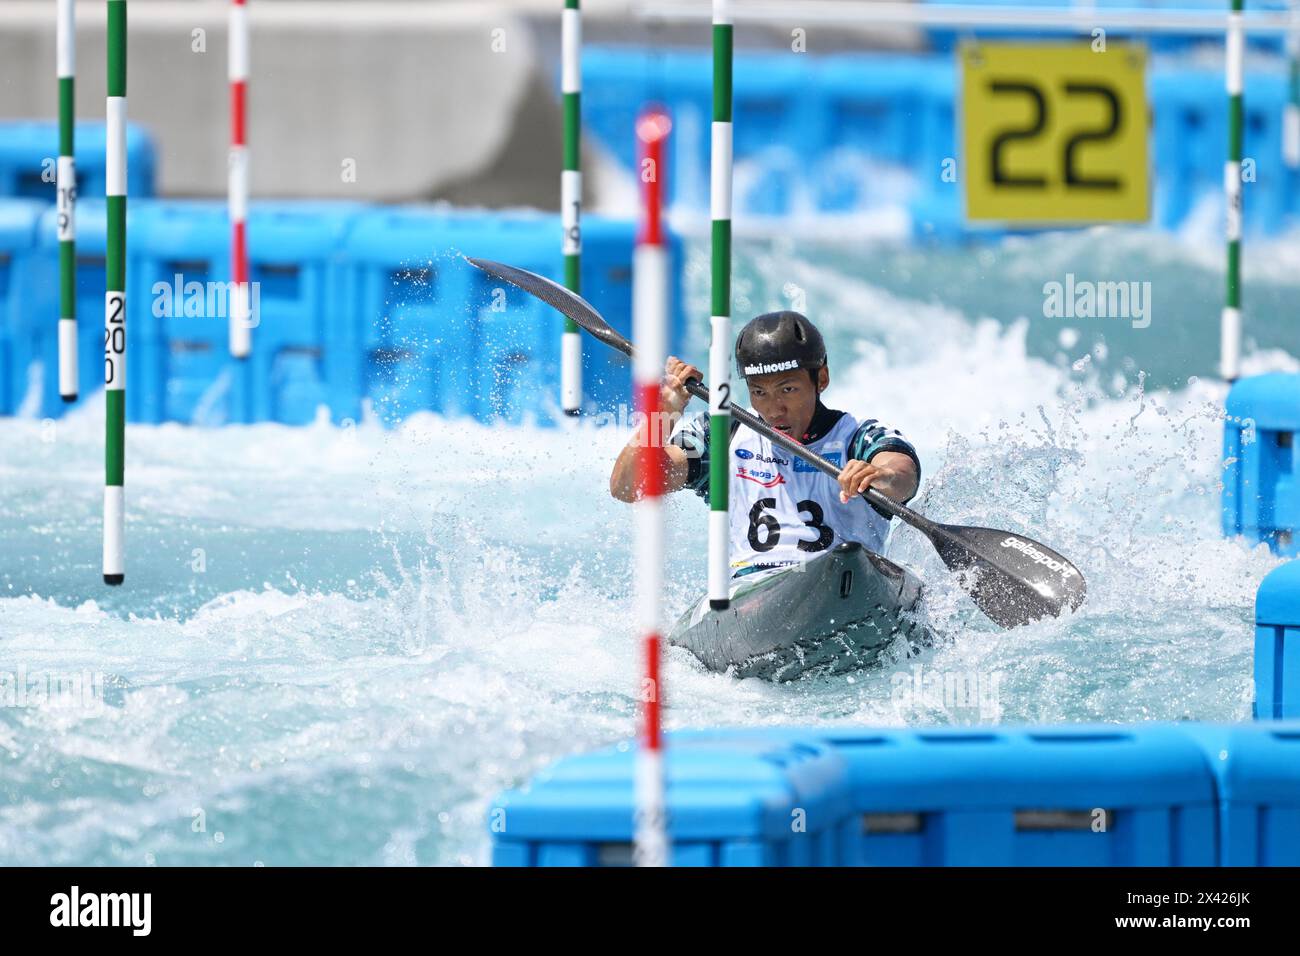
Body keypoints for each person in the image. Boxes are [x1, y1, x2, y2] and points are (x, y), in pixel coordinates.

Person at [609, 310, 921, 580]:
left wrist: (877, 477)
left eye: (788, 389)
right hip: (753, 594)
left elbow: (902, 476)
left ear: (821, 379)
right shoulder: (722, 437)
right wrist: (664, 412)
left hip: (844, 585)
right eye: (759, 392)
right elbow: (627, 486)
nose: (773, 409)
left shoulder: (858, 438)